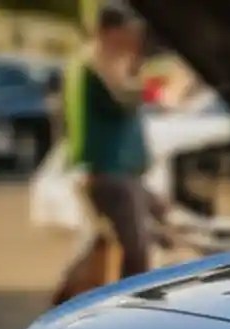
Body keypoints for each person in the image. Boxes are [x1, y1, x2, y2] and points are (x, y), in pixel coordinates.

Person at [52, 6, 155, 306]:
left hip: (109, 168)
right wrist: (136, 72)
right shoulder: (98, 60)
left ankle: (65, 302)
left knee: (101, 242)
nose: (135, 39)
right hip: (109, 169)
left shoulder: (85, 61)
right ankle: (129, 308)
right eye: (130, 32)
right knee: (134, 249)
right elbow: (124, 98)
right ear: (112, 31)